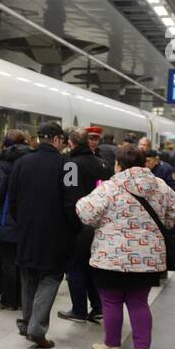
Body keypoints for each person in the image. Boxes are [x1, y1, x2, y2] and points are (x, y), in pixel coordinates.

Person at [76, 144, 175, 349]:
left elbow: (86, 213)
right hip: (147, 259)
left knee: (111, 301)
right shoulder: (159, 185)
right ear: (144, 162)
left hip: (111, 257)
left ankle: (112, 345)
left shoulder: (110, 186)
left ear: (118, 164)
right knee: (139, 302)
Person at [6, 122, 76, 348]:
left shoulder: (20, 163)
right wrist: (73, 228)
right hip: (56, 232)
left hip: (26, 230)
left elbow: (13, 201)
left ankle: (26, 324)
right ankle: (36, 328)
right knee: (51, 276)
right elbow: (71, 203)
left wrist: (23, 222)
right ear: (57, 140)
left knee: (29, 276)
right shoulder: (69, 166)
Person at [57, 129, 111, 325]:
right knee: (92, 267)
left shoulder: (71, 164)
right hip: (99, 224)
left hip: (79, 224)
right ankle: (98, 308)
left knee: (75, 268)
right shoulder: (103, 164)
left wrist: (69, 224)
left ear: (71, 143)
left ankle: (79, 309)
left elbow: (69, 196)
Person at [0, 130, 31, 310]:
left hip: (7, 217)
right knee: (22, 261)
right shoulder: (31, 160)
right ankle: (22, 299)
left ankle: (9, 299)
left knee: (8, 262)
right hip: (26, 218)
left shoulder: (5, 162)